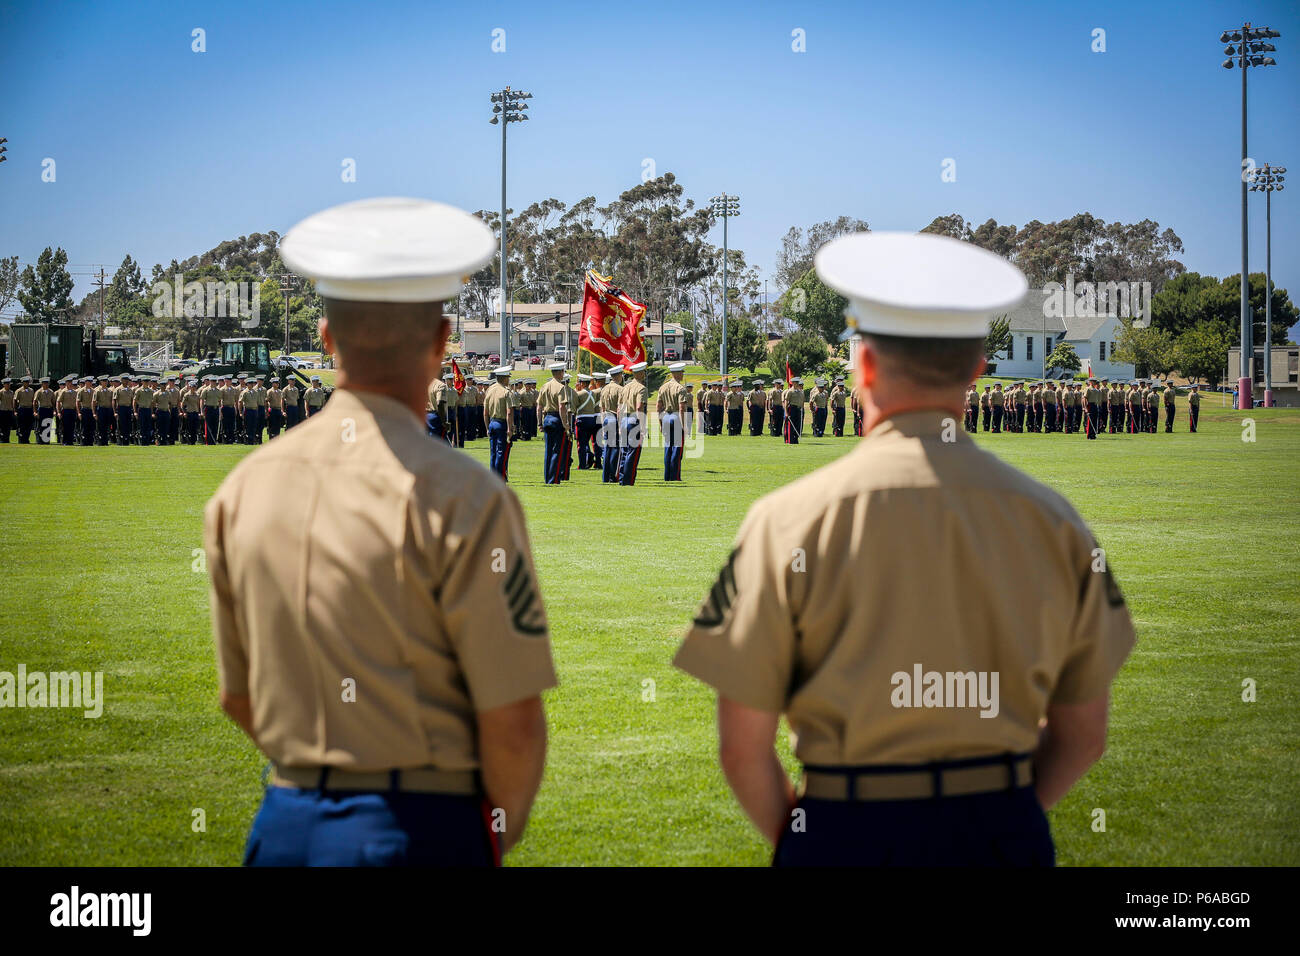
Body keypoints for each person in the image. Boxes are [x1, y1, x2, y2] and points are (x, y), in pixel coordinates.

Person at [673, 231, 1135, 866]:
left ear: (864, 366)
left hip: (846, 826)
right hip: (999, 827)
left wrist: (810, 845)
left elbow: (741, 746)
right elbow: (1084, 735)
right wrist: (1003, 815)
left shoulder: (786, 521)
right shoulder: (1053, 522)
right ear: (977, 367)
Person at [206, 196, 554, 867]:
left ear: (327, 339)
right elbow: (513, 724)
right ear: (441, 340)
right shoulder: (468, 498)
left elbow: (237, 695)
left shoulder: (240, 491)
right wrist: (487, 838)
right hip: (416, 826)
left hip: (282, 826)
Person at [537, 363, 570, 485]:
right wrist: (565, 424)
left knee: (548, 451)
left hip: (547, 418)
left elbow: (539, 407)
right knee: (557, 451)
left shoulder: (544, 386)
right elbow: (562, 407)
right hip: (557, 418)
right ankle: (554, 479)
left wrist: (539, 423)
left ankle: (547, 478)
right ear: (560, 372)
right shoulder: (561, 387)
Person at [658, 362, 688, 481]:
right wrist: (684, 425)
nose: (682, 374)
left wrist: (660, 424)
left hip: (665, 417)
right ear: (677, 373)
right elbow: (681, 408)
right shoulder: (680, 388)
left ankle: (667, 475)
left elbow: (658, 407)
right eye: (681, 372)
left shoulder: (663, 387)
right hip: (676, 417)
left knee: (667, 448)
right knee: (677, 448)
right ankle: (675, 476)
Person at [619, 361, 648, 485]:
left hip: (624, 420)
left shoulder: (625, 387)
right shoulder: (642, 389)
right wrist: (642, 427)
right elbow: (639, 407)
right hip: (634, 420)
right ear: (641, 373)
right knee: (633, 453)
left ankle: (621, 478)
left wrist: (620, 424)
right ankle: (628, 480)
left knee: (624, 452)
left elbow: (619, 407)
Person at [484, 366, 515, 480]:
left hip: (492, 422)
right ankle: (499, 477)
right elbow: (509, 412)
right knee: (501, 452)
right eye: (508, 377)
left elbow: (485, 412)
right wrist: (510, 428)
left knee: (493, 453)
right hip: (502, 424)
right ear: (504, 378)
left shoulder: (489, 390)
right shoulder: (506, 392)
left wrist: (487, 427)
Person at [599, 365, 624, 483]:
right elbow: (620, 408)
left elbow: (602, 408)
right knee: (615, 449)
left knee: (607, 448)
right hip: (614, 417)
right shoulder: (620, 389)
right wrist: (620, 426)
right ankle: (613, 475)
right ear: (618, 375)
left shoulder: (604, 389)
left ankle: (605, 476)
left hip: (606, 417)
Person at [783, 377, 805, 444]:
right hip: (792, 408)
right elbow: (786, 401)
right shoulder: (790, 391)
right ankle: (790, 440)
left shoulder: (800, 391)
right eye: (796, 382)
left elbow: (802, 401)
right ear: (792, 383)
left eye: (798, 382)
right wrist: (786, 412)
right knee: (791, 425)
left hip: (798, 409)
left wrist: (802, 408)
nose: (797, 384)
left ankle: (795, 439)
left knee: (797, 425)